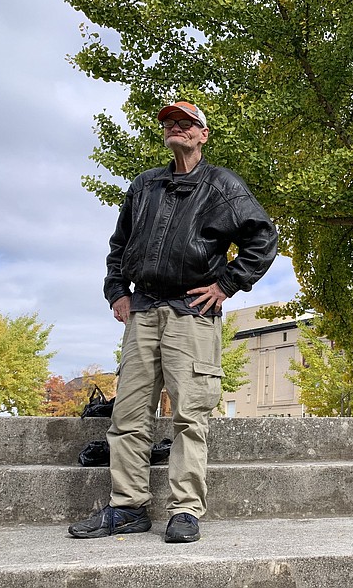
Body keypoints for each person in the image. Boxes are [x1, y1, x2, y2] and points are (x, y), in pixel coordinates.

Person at [68, 101, 278, 543]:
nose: (176, 128)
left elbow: (263, 239)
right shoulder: (145, 185)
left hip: (192, 311)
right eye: (169, 122)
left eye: (187, 123)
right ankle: (127, 508)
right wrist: (116, 292)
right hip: (142, 309)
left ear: (204, 134)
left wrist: (226, 284)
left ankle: (185, 510)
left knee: (190, 416)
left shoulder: (222, 185)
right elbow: (119, 244)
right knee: (127, 415)